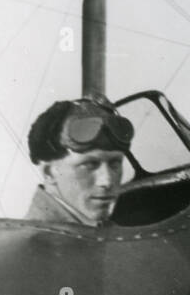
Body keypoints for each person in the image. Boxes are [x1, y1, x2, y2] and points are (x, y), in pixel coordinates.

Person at [24, 96, 134, 226]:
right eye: (89, 165)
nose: (107, 181)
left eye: (115, 164)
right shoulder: (36, 238)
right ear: (49, 173)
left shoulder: (95, 227)